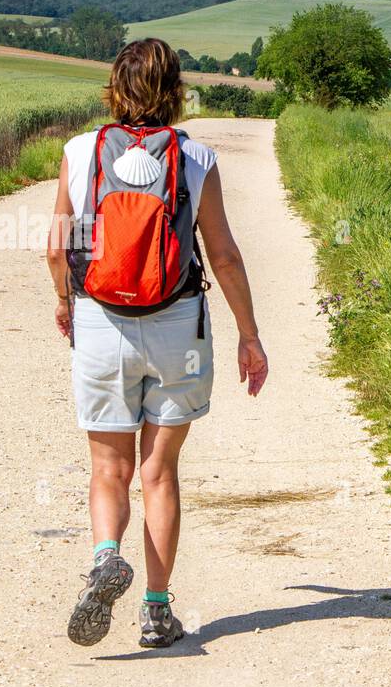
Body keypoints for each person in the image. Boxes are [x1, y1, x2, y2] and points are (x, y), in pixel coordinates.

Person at [46, 38, 268, 648]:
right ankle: (154, 608)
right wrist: (250, 336)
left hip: (101, 322)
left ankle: (105, 557)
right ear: (175, 91)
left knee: (108, 467)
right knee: (159, 472)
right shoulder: (195, 157)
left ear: (115, 87)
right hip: (179, 328)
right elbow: (222, 254)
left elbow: (56, 247)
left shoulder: (80, 150)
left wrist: (66, 303)